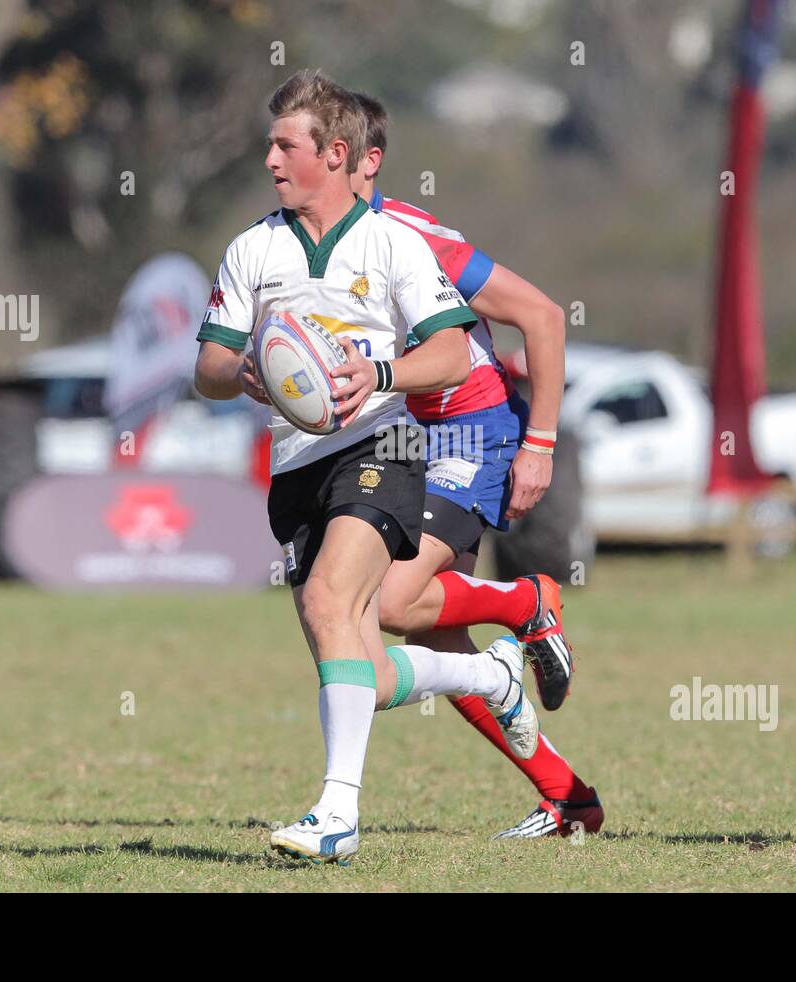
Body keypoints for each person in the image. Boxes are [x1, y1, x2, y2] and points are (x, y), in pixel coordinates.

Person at [194, 70, 541, 864]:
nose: (272, 161)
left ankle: (337, 816)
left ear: (336, 152)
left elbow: (451, 352)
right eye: (271, 146)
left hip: (382, 447)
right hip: (295, 469)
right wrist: (241, 372)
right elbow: (205, 368)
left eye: (287, 146)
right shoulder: (254, 247)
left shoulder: (393, 244)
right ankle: (491, 679)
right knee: (366, 667)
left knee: (328, 598)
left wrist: (379, 375)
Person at [347, 90, 603, 839]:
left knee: (392, 603)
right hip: (403, 443)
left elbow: (546, 317)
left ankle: (526, 603)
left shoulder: (415, 237)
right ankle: (568, 799)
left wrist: (540, 445)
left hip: (472, 432)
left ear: (365, 162)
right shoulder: (307, 250)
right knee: (431, 641)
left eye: (326, 153)